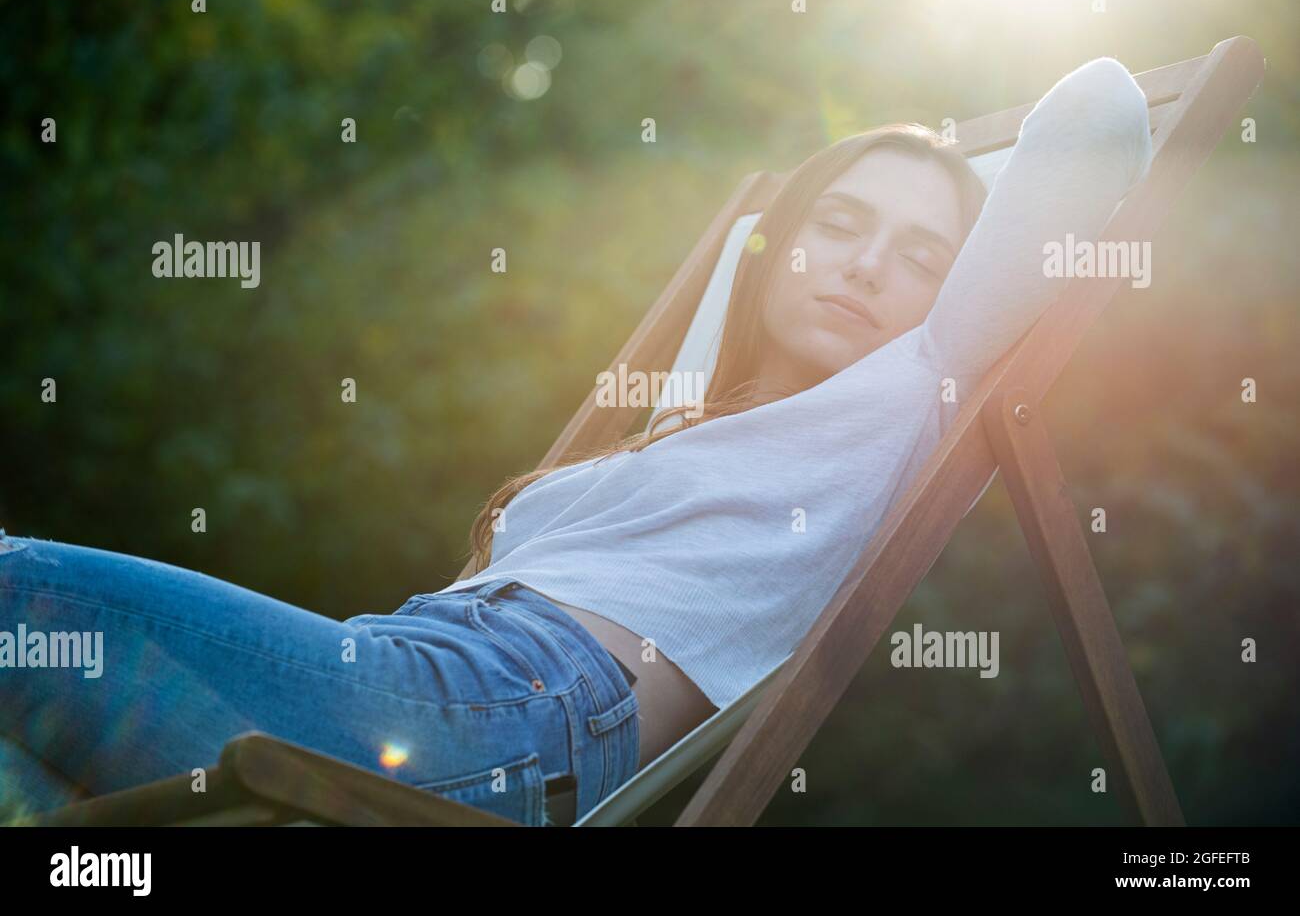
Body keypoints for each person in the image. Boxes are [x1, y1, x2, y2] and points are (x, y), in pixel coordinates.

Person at [0, 56, 1154, 827]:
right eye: (840, 224)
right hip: (417, 667)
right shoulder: (676, 429)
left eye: (921, 254)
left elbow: (1100, 113)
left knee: (19, 590)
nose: (865, 265)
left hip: (510, 711)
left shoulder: (920, 393)